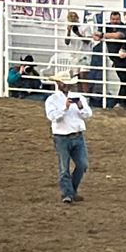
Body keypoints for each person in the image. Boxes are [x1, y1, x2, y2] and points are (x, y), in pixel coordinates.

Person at [44, 69, 92, 204]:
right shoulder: (52, 100)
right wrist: (65, 108)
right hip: (61, 137)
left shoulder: (79, 97)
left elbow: (88, 115)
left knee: (82, 165)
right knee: (64, 167)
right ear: (58, 83)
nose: (66, 85)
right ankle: (68, 193)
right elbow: (53, 117)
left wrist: (81, 107)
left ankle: (71, 191)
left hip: (77, 135)